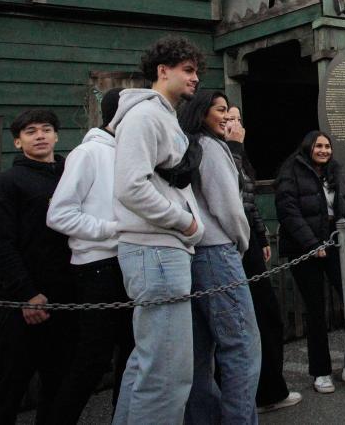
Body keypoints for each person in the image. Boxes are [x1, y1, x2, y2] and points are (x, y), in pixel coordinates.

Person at [110, 37, 205, 425]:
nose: (195, 78)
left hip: (160, 251)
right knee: (167, 374)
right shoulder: (146, 116)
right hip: (156, 251)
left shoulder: (162, 115)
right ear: (162, 71)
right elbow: (130, 186)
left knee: (148, 365)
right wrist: (185, 222)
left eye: (196, 70)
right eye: (188, 70)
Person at [0, 109, 75, 425]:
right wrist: (27, 294)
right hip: (22, 302)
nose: (41, 135)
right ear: (18, 142)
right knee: (4, 386)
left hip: (68, 298)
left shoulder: (71, 176)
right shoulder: (7, 183)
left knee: (60, 387)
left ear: (57, 136)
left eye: (47, 129)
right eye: (31, 131)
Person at [46, 89, 134, 423]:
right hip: (96, 267)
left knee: (132, 350)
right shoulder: (88, 153)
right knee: (92, 358)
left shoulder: (130, 153)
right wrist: (114, 229)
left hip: (127, 263)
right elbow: (59, 215)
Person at [177, 89, 261, 423]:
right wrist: (241, 242)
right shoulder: (211, 147)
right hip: (218, 252)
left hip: (191, 254)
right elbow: (228, 205)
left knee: (199, 352)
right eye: (220, 109)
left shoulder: (186, 145)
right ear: (202, 113)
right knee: (242, 347)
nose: (227, 116)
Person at [275, 131, 345, 394]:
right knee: (315, 308)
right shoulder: (291, 170)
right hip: (306, 246)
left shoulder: (337, 172)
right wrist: (311, 244)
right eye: (319, 146)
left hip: (337, 240)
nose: (323, 150)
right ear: (308, 147)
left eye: (327, 146)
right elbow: (288, 210)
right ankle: (320, 372)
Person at [225, 105, 302, 414]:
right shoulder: (218, 152)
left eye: (238, 118)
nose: (234, 123)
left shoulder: (236, 154)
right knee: (240, 323)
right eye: (228, 117)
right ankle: (251, 397)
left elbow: (248, 201)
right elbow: (226, 196)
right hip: (229, 247)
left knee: (266, 315)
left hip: (248, 243)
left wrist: (259, 235)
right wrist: (233, 147)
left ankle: (269, 390)